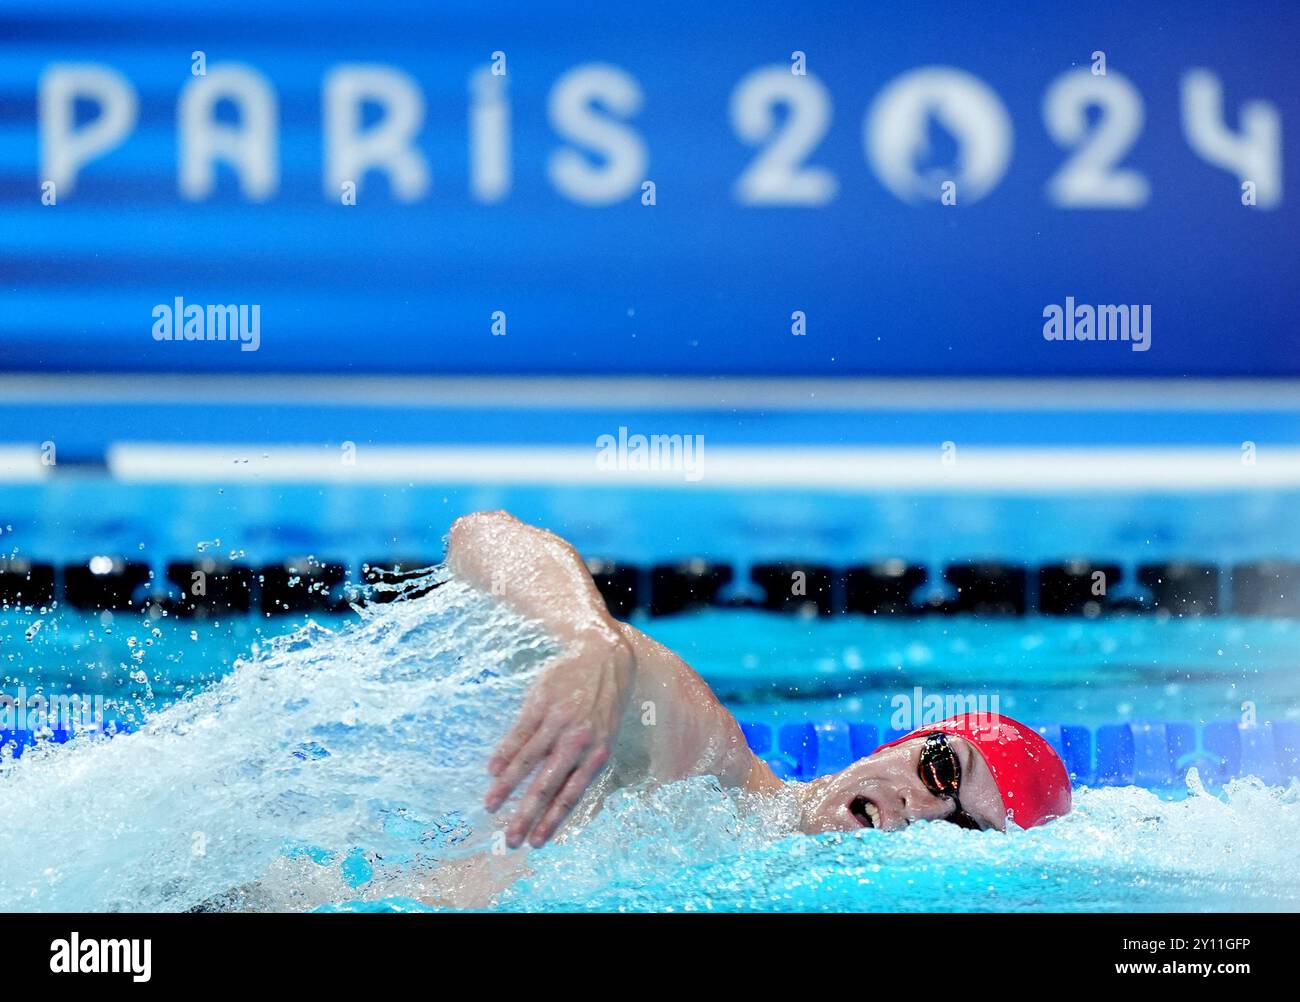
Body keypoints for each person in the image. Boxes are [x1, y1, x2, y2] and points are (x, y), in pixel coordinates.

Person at [446, 510, 1072, 853]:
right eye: (942, 770)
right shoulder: (708, 773)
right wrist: (590, 638)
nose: (926, 807)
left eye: (964, 827)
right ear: (902, 743)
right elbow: (482, 536)